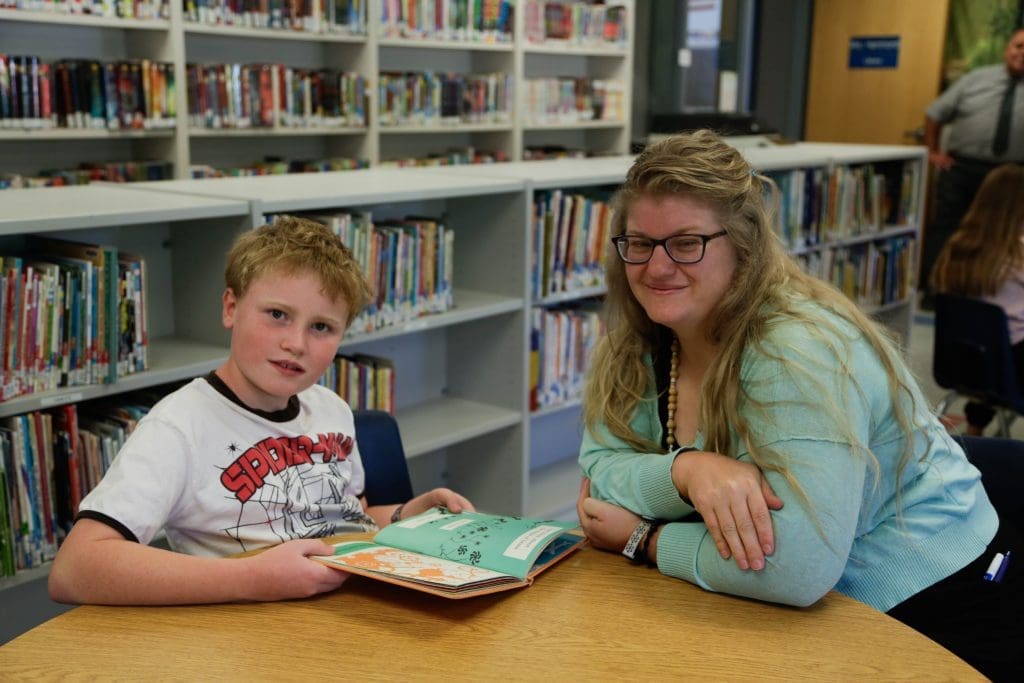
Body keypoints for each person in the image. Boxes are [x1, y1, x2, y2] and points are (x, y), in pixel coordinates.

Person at [575, 130, 1021, 679]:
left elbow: (794, 568)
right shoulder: (634, 346)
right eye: (639, 243)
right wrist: (687, 472)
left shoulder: (796, 352)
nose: (656, 267)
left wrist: (644, 537)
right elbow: (597, 479)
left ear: (743, 246)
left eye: (687, 243)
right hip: (782, 599)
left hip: (932, 600)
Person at [48, 216, 473, 605]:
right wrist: (253, 578)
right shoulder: (178, 427)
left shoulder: (330, 408)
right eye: (277, 315)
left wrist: (404, 515)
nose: (296, 344)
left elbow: (349, 516)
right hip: (255, 624)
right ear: (231, 308)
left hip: (354, 605)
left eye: (321, 327)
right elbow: (75, 569)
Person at [920, 27, 1024, 306]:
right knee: (947, 227)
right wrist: (933, 151)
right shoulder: (975, 79)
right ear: (1007, 49)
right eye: (1018, 46)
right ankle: (936, 291)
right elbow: (934, 113)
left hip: (1013, 176)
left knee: (1007, 232)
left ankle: (991, 294)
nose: (1022, 53)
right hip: (964, 168)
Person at [931, 163, 1024, 435]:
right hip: (1011, 371)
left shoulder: (958, 247)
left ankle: (976, 426)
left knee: (993, 335)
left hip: (965, 366)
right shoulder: (1018, 255)